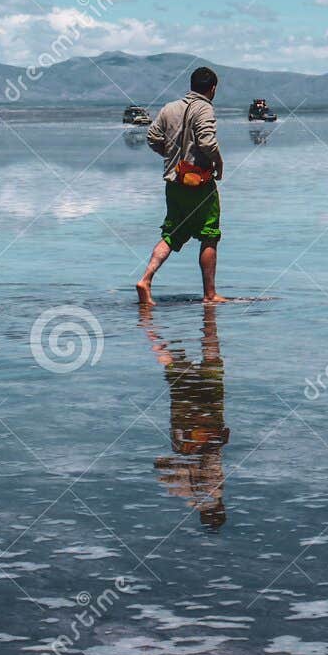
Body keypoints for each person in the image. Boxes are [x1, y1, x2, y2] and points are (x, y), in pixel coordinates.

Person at [137, 66, 227, 306]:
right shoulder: (204, 108)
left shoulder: (170, 108)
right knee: (209, 235)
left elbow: (152, 137)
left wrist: (172, 158)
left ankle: (145, 279)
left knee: (172, 234)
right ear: (213, 89)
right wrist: (218, 162)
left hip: (174, 182)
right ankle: (210, 295)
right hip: (198, 184)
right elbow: (207, 142)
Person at [143, 304, 229, 530]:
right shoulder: (182, 491)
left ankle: (208, 313)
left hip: (207, 418)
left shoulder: (210, 490)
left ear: (218, 509)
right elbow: (160, 466)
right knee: (172, 367)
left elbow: (210, 451)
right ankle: (146, 321)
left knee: (211, 352)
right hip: (185, 426)